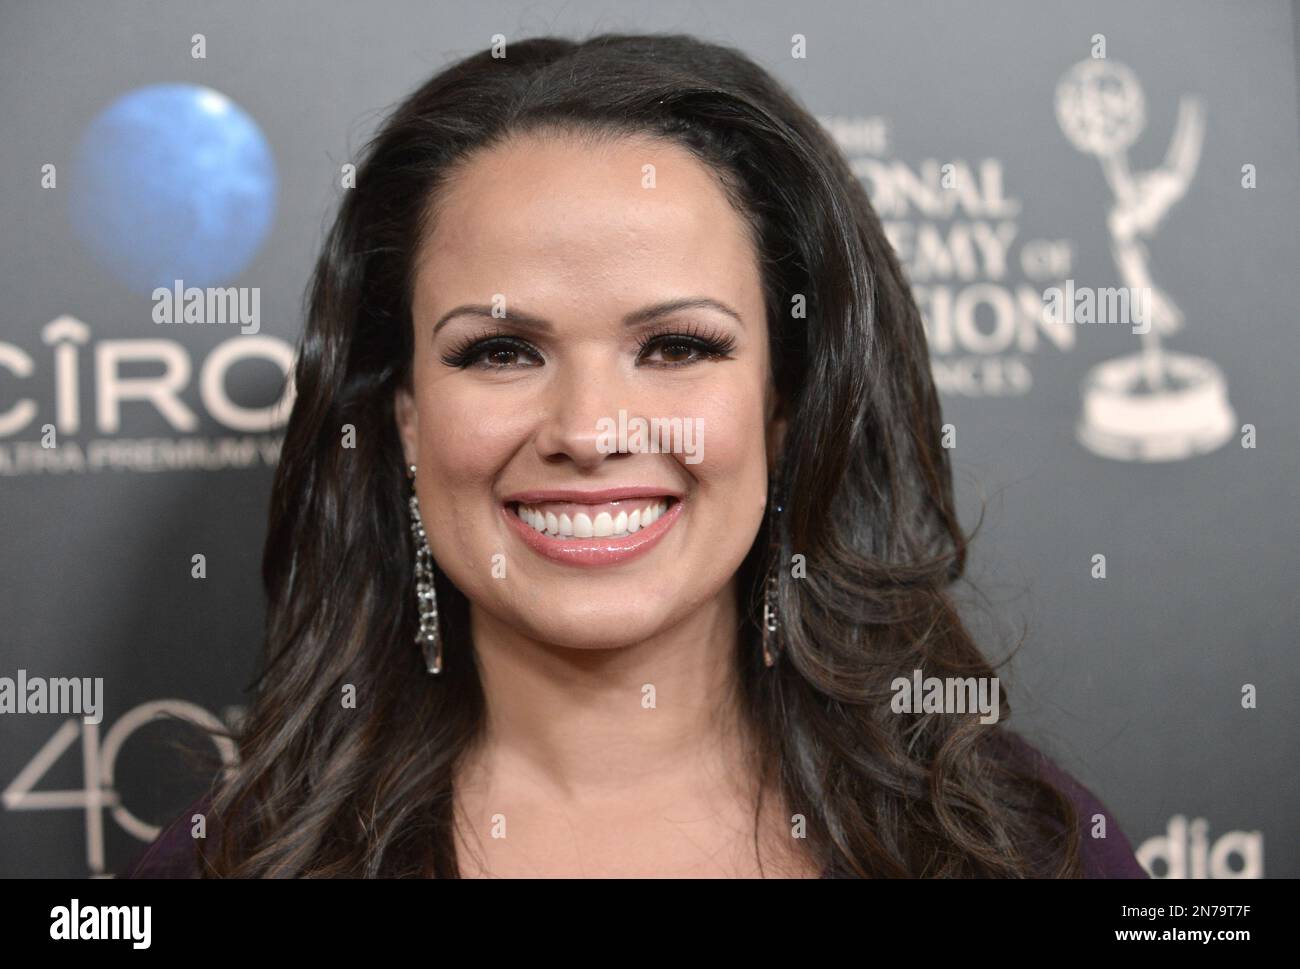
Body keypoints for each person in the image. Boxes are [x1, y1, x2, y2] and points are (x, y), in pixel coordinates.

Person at [128, 32, 1147, 878]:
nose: (588, 430)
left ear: (784, 402)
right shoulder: (235, 864)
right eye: (500, 351)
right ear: (403, 416)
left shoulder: (1026, 848)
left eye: (677, 347)